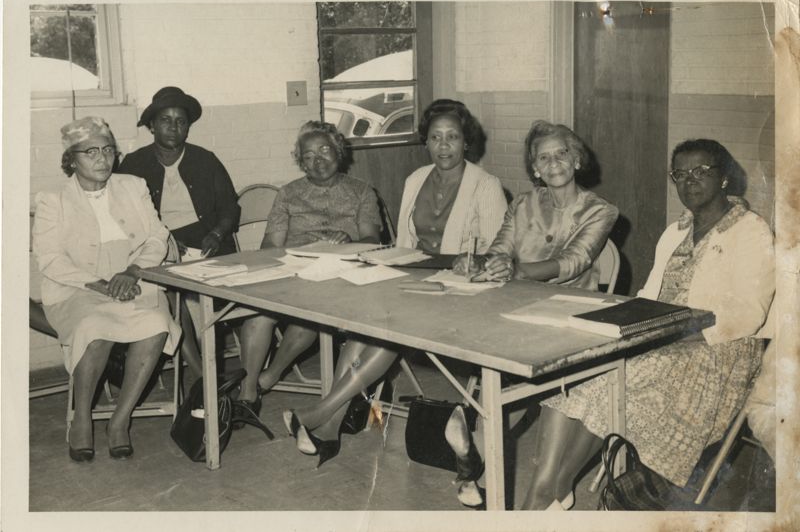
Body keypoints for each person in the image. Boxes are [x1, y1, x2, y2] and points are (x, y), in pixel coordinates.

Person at [522, 139, 774, 510]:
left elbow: (751, 312)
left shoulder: (751, 231)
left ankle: (550, 493)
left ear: (724, 178)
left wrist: (689, 332)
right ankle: (548, 490)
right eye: (681, 174)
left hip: (719, 354)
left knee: (609, 381)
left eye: (701, 172)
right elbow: (649, 293)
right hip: (663, 338)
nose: (690, 181)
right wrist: (629, 321)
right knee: (580, 372)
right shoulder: (675, 232)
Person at [282, 99, 508, 467]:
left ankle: (321, 414)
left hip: (463, 291)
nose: (444, 146)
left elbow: (500, 254)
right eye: (436, 137)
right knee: (361, 328)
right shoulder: (415, 179)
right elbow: (403, 245)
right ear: (426, 142)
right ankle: (329, 424)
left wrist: (471, 262)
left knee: (389, 330)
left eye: (453, 137)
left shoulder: (486, 185)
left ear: (467, 142)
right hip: (413, 279)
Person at [444, 120, 619, 507]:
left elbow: (574, 261)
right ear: (535, 168)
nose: (554, 162)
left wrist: (519, 271)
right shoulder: (523, 203)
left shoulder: (601, 210)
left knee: (506, 374)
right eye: (544, 157)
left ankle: (475, 456)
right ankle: (477, 455)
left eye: (562, 154)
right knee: (492, 360)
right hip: (514, 307)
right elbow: (500, 248)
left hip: (571, 314)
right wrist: (484, 264)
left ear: (576, 160)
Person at [32, 117, 181, 462]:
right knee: (95, 330)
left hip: (134, 280)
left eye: (108, 150)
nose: (102, 159)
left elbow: (158, 236)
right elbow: (50, 259)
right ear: (72, 159)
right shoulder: (53, 200)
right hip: (78, 287)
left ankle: (120, 419)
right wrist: (100, 285)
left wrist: (132, 271)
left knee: (156, 326)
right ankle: (82, 417)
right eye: (91, 152)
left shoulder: (133, 185)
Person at [235, 121, 382, 424]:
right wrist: (292, 253)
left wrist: (351, 241)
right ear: (300, 161)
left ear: (339, 151)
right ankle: (247, 395)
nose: (318, 160)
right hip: (293, 272)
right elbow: (270, 245)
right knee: (259, 315)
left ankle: (270, 377)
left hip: (342, 275)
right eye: (309, 155)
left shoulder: (362, 192)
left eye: (325, 151)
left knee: (308, 317)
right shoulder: (288, 194)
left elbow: (373, 241)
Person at [117, 86, 240, 381]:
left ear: (188, 127)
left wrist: (217, 232)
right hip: (156, 245)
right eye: (165, 120)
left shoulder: (205, 159)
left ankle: (212, 371)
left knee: (216, 297)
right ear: (151, 126)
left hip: (207, 244)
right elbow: (123, 220)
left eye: (180, 121)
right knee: (174, 299)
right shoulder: (133, 164)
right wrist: (167, 241)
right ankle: (206, 377)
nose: (173, 127)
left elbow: (230, 208)